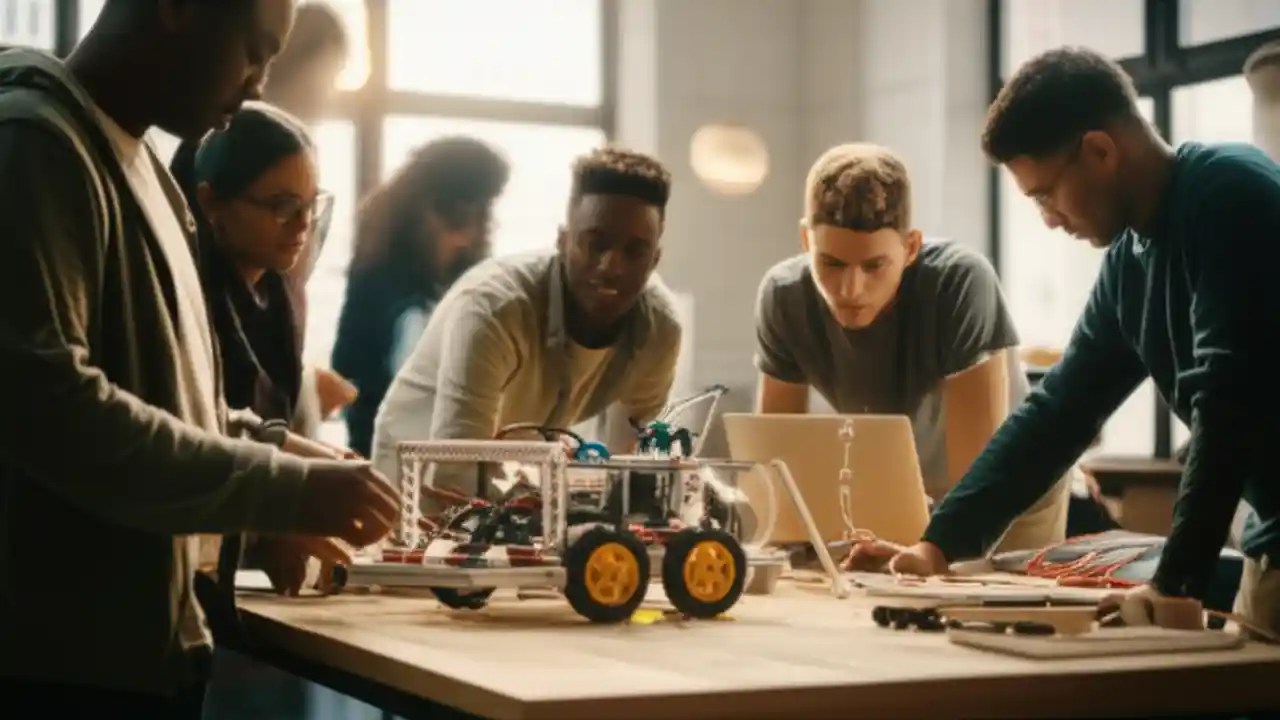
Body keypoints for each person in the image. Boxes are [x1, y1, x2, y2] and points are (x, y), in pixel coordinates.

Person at [0, 2, 399, 716]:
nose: (258, 83)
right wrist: (282, 488)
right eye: (255, 50)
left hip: (131, 660)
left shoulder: (146, 173)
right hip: (55, 671)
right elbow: (52, 410)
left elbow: (170, 403)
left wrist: (286, 454)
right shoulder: (34, 144)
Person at [876, 47, 1279, 639]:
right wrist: (938, 545)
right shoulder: (1129, 261)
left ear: (1100, 151)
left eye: (1045, 194)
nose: (1048, 219)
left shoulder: (1230, 195)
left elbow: (1228, 402)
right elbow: (1058, 412)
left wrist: (1175, 583)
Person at [755, 143, 1069, 554]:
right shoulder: (784, 296)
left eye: (873, 266)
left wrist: (935, 549)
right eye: (831, 263)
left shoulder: (959, 283)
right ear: (805, 240)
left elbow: (976, 478)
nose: (850, 290)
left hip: (1009, 487)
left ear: (911, 247)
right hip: (904, 489)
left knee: (981, 587)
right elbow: (777, 464)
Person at [370, 146, 683, 492]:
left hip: (514, 477)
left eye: (634, 251)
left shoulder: (659, 329)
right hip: (410, 478)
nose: (612, 267)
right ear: (563, 241)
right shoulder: (494, 309)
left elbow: (629, 465)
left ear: (655, 259)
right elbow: (454, 473)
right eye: (596, 244)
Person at [332, 136, 509, 457]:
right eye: (458, 220)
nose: (467, 237)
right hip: (388, 457)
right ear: (420, 213)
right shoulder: (380, 286)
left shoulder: (466, 282)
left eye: (480, 218)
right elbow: (353, 378)